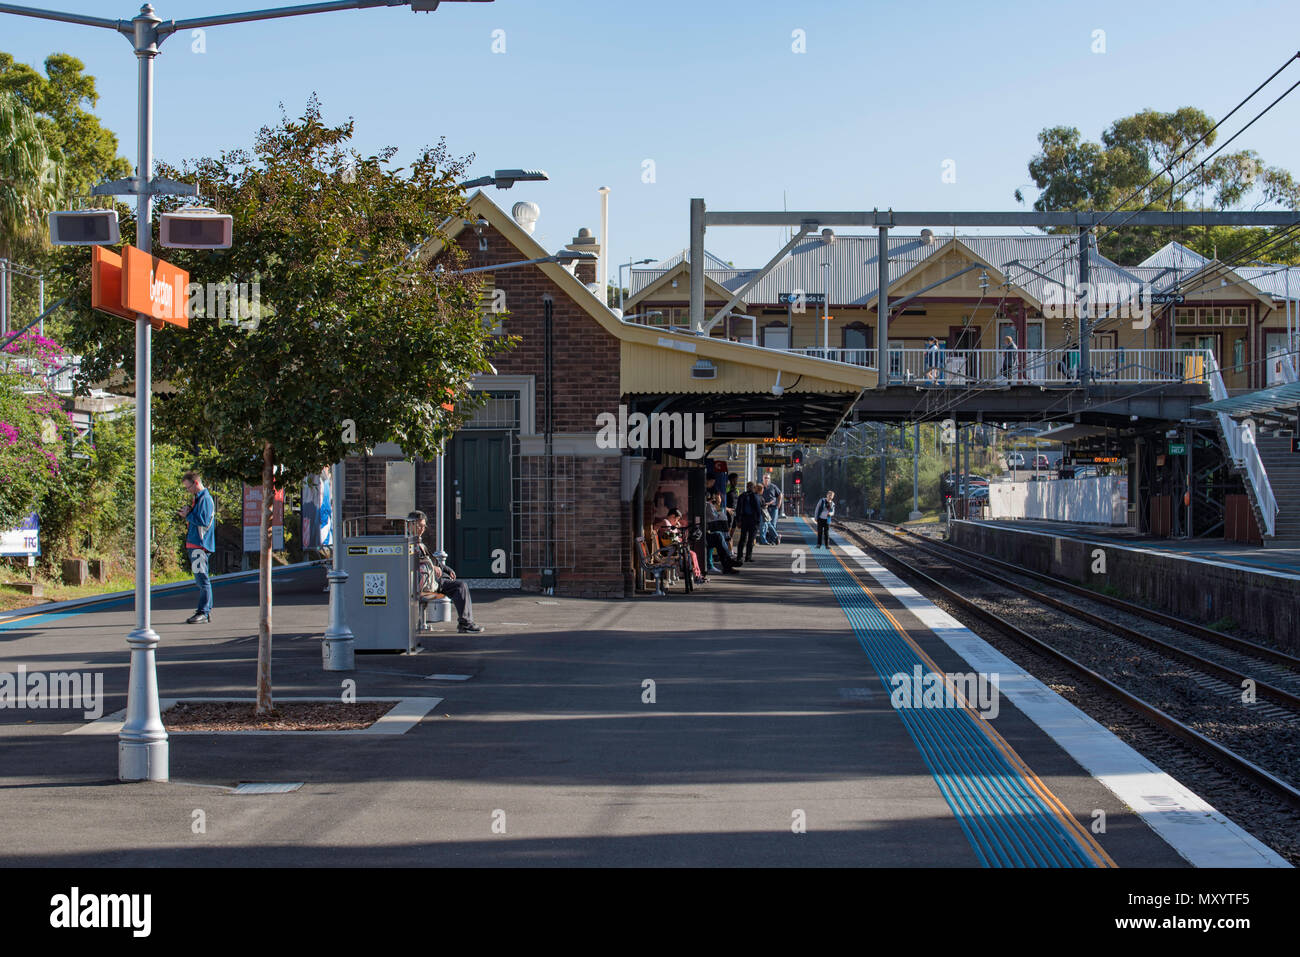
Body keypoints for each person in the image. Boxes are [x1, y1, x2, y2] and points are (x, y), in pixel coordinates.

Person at [408, 510, 484, 633]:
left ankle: (466, 622)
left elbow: (432, 560)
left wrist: (446, 569)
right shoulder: (408, 543)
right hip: (423, 583)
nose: (422, 529)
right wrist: (433, 567)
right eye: (419, 526)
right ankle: (465, 624)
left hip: (431, 580)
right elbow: (414, 563)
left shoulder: (419, 542)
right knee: (460, 586)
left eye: (423, 526)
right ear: (410, 525)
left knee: (460, 586)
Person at [178, 471, 215, 624]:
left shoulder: (205, 499)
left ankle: (204, 612)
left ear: (196, 483)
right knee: (201, 579)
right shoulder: (199, 499)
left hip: (200, 544)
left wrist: (187, 515)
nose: (188, 491)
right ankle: (204, 611)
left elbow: (203, 521)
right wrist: (189, 513)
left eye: (188, 487)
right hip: (195, 544)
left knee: (202, 579)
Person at [656, 508, 704, 583]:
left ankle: (697, 575)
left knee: (693, 554)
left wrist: (677, 528)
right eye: (676, 519)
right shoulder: (666, 522)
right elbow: (656, 527)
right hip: (670, 549)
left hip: (675, 547)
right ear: (672, 516)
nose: (677, 521)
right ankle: (697, 575)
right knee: (692, 554)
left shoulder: (671, 524)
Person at [706, 492, 741, 573]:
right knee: (718, 536)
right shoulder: (708, 505)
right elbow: (713, 517)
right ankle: (728, 561)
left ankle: (727, 564)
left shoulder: (711, 506)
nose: (718, 501)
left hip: (710, 531)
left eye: (719, 499)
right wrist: (719, 510)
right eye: (716, 499)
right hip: (705, 534)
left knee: (719, 536)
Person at [735, 481, 763, 562]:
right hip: (752, 520)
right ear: (753, 487)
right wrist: (758, 520)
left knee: (743, 539)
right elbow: (758, 510)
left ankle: (740, 557)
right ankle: (748, 557)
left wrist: (738, 520)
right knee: (750, 539)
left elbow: (738, 509)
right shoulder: (755, 496)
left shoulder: (742, 496)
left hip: (745, 519)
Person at [759, 473, 782, 545]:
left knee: (772, 524)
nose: (766, 479)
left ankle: (772, 540)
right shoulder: (760, 487)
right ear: (762, 479)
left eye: (768, 478)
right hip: (764, 509)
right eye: (765, 478)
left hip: (774, 508)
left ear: (770, 479)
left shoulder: (773, 486)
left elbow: (780, 494)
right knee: (765, 524)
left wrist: (779, 504)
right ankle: (766, 539)